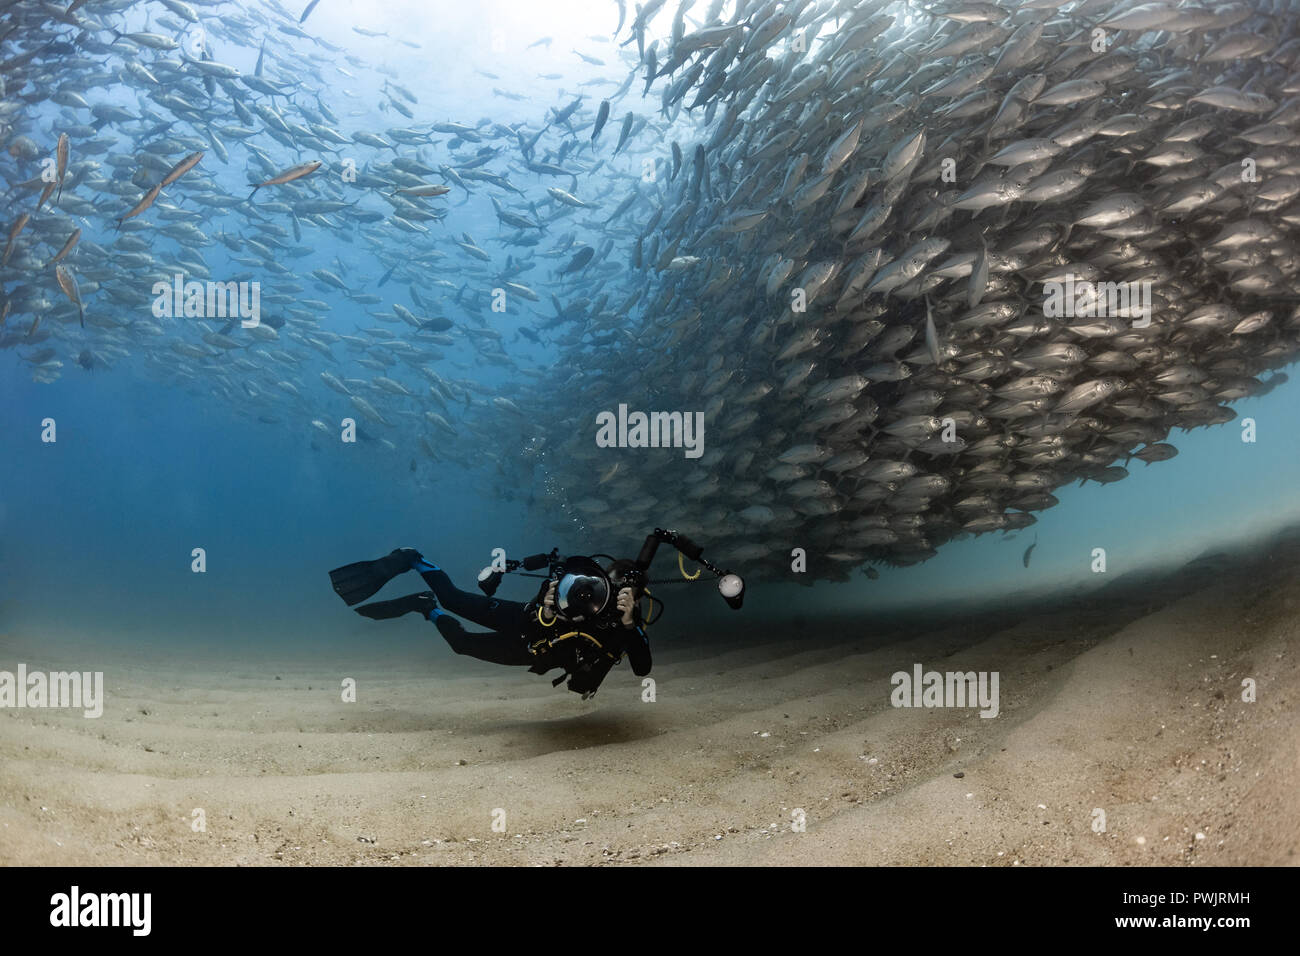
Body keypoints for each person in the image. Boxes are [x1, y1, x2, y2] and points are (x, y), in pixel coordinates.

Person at [328, 549, 652, 698]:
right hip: (522, 618)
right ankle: (413, 559)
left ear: (636, 598)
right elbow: (544, 608)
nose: (607, 598)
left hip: (531, 652)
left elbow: (642, 669)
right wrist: (550, 609)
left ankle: (425, 607)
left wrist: (627, 625)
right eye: (604, 587)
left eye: (625, 594)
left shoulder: (627, 626)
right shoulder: (575, 586)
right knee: (453, 599)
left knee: (461, 645)